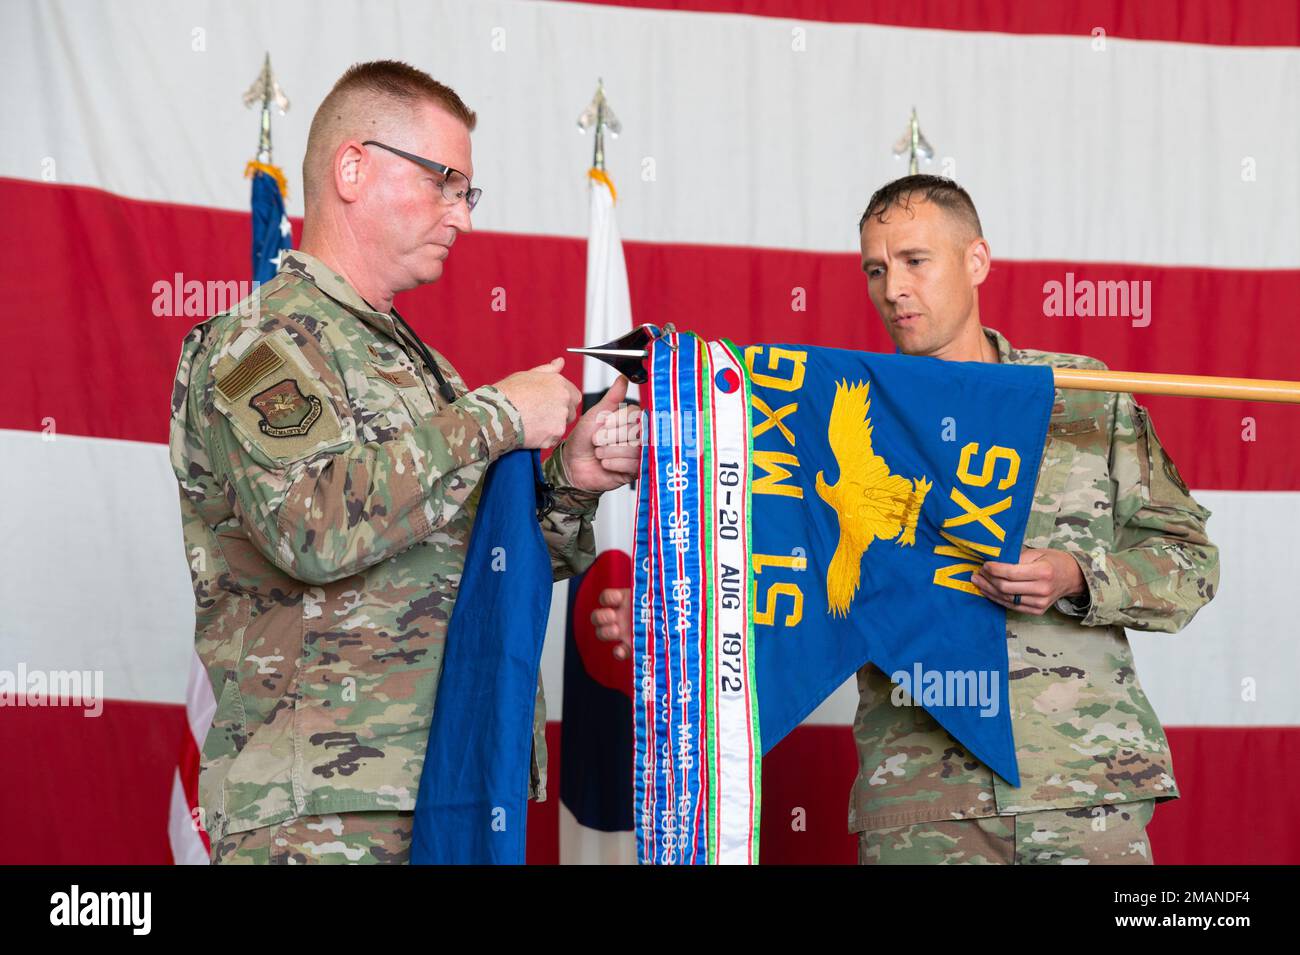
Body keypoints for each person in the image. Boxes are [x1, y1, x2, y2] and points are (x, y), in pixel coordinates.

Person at [591, 175, 1218, 865]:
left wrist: (1076, 575)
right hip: (920, 806)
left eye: (916, 261)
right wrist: (670, 606)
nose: (893, 288)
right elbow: (768, 570)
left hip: (1080, 790)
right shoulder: (823, 420)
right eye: (876, 269)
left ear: (975, 260)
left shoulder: (1079, 397)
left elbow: (1190, 563)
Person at [169, 60, 640, 865]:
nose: (462, 215)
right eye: (444, 182)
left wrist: (570, 480)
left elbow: (485, 559)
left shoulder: (424, 370)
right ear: (352, 168)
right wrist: (496, 416)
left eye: (468, 192)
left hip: (452, 787)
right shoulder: (257, 340)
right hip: (322, 814)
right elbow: (312, 525)